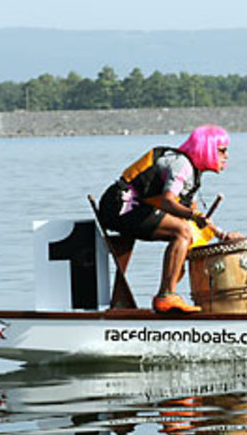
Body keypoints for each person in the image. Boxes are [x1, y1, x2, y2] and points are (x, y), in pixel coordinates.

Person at [96, 125, 234, 313]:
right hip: (120, 207)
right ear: (207, 149)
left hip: (135, 207)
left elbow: (189, 207)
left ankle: (168, 294)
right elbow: (169, 201)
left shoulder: (193, 170)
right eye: (222, 151)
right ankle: (166, 296)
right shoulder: (182, 165)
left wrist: (221, 234)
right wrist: (193, 217)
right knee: (182, 231)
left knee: (188, 234)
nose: (226, 156)